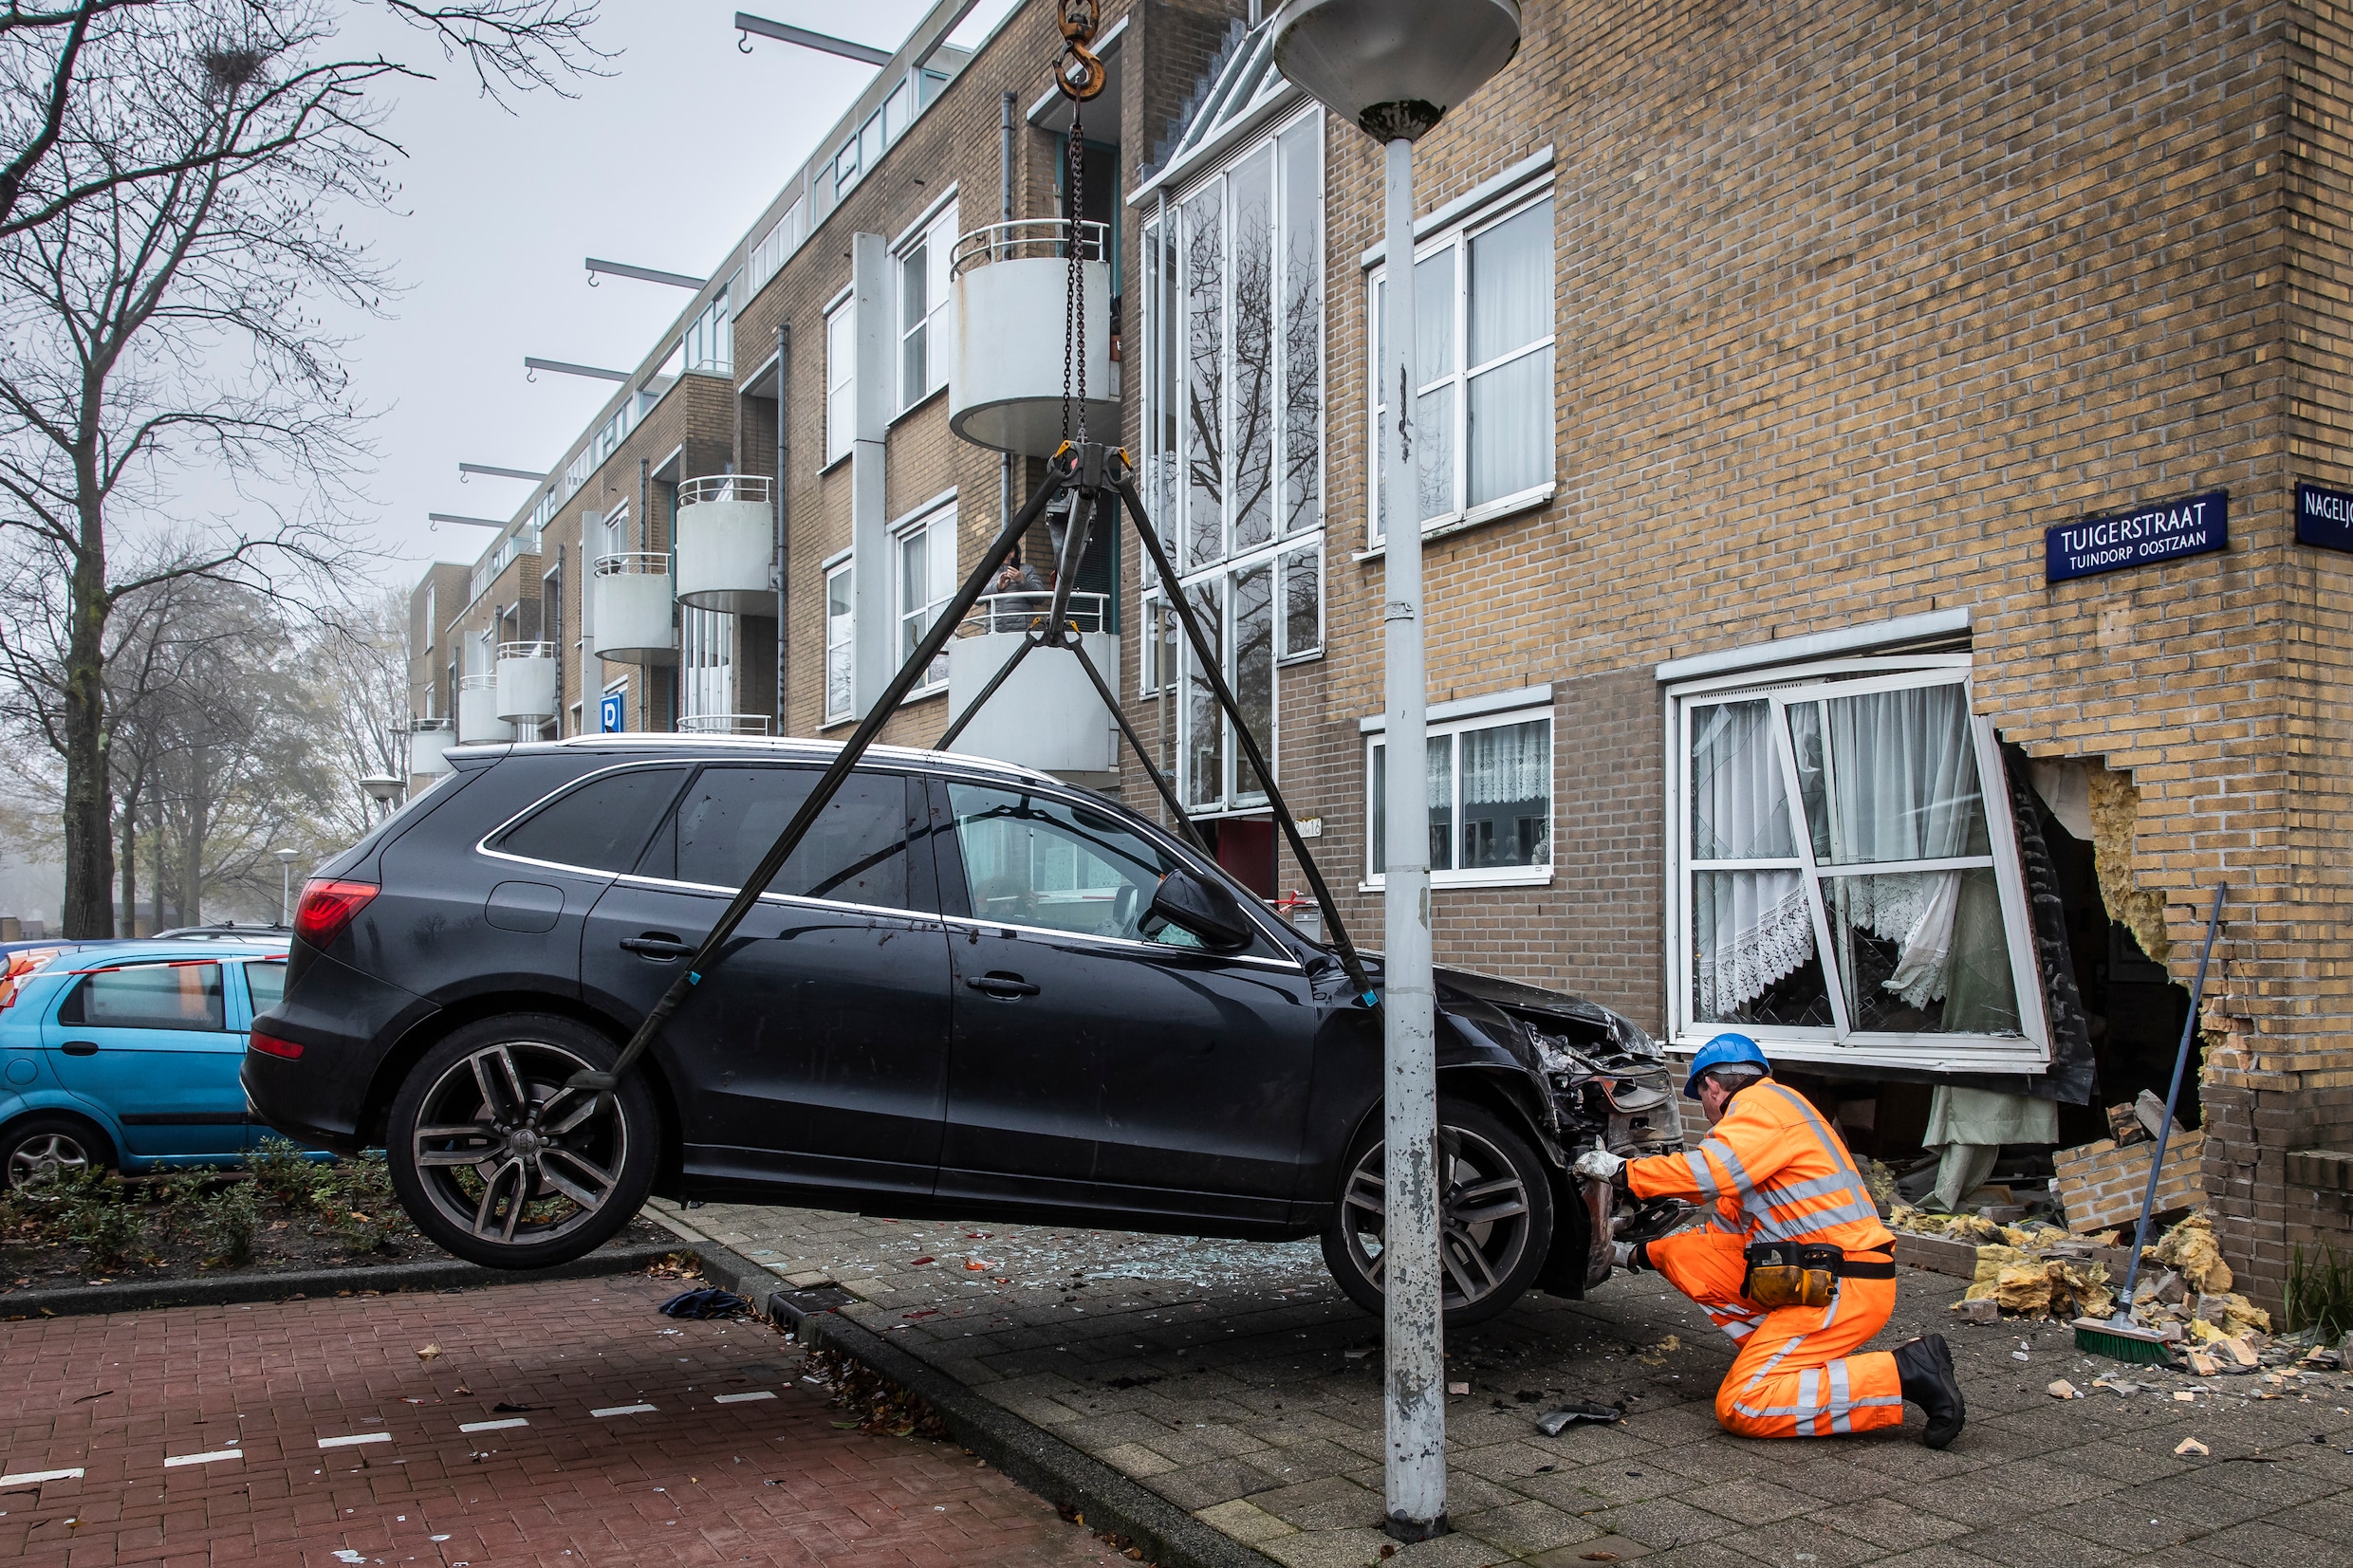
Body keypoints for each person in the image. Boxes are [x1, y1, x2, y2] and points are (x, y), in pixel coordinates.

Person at [1572, 1034, 1966, 1447]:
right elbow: (1720, 1239)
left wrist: (1620, 1171)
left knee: (1744, 1405)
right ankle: (1784, 1360)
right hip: (1826, 1275)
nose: (1705, 1110)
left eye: (1700, 1097)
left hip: (1839, 1286)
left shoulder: (1760, 1108)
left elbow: (1703, 1176)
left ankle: (1903, 1373)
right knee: (1685, 1252)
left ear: (1713, 1087)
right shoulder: (1775, 1115)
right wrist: (1624, 1254)